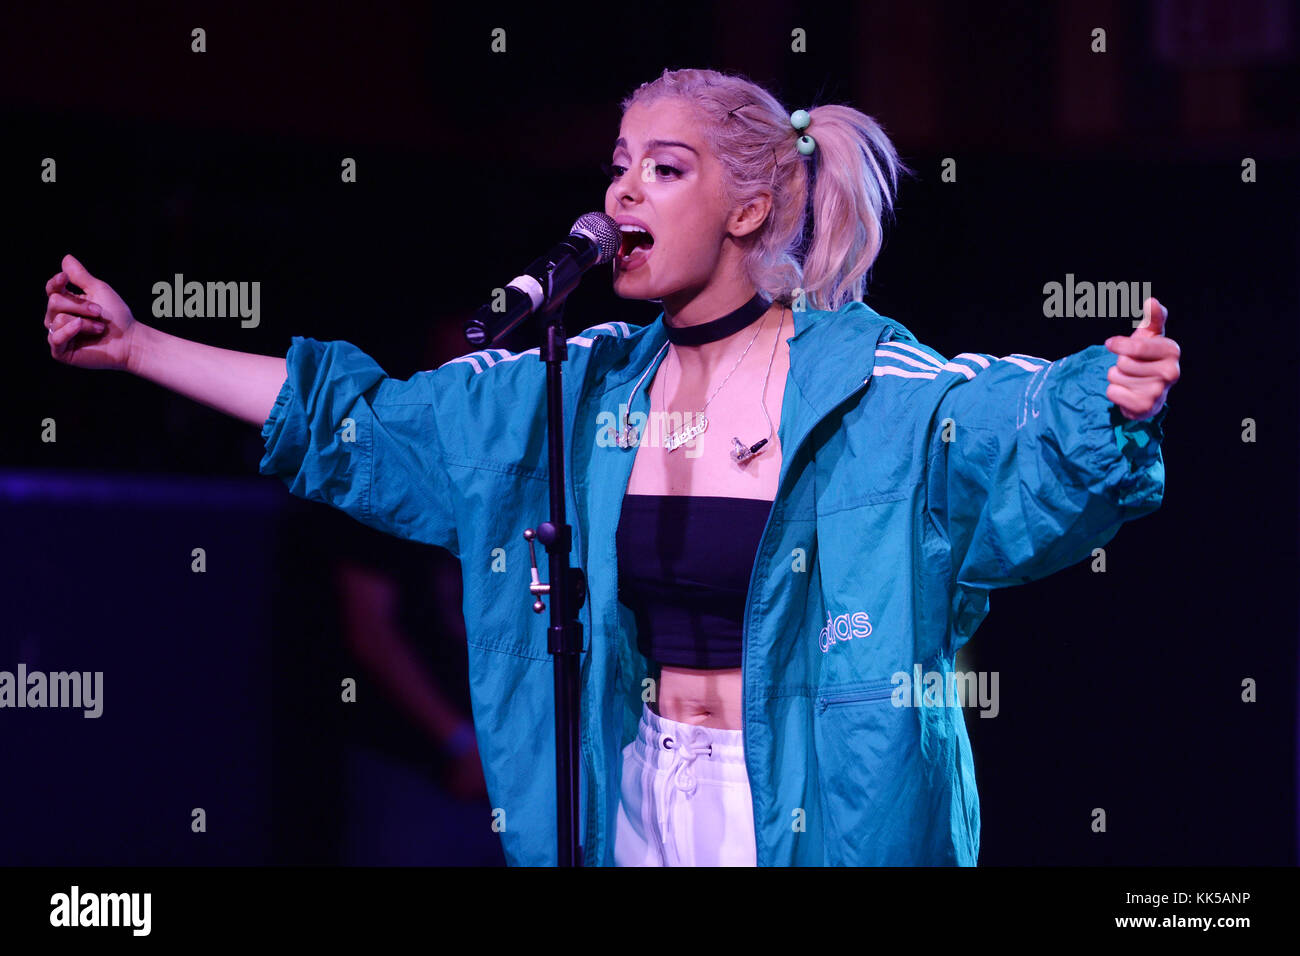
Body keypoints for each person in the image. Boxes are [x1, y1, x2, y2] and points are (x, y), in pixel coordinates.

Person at [42, 67, 1180, 867]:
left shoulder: (870, 383)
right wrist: (140, 345)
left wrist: (1104, 398)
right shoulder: (587, 385)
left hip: (807, 793)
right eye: (618, 164)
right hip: (633, 780)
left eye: (663, 168)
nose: (621, 191)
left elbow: (1005, 423)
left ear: (748, 205)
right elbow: (370, 421)